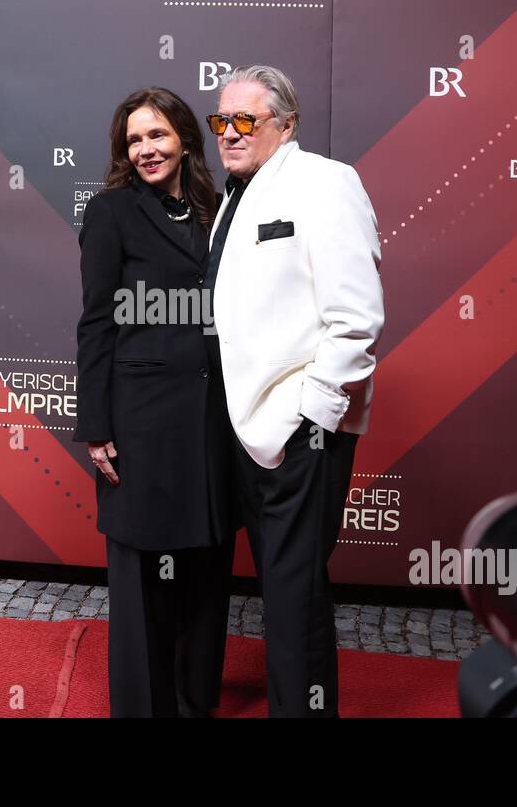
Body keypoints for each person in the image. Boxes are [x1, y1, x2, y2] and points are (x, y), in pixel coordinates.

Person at [203, 64, 385, 717]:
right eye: (220, 120)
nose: (228, 132)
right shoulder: (234, 194)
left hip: (298, 431)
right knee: (275, 590)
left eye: (244, 120)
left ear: (286, 124)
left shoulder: (326, 184)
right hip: (240, 428)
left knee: (294, 592)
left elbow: (356, 319)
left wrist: (311, 419)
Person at [74, 87, 236, 718]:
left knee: (207, 568)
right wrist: (95, 423)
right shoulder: (111, 212)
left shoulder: (217, 208)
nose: (146, 149)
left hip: (215, 418)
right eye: (134, 140)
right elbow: (94, 322)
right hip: (140, 421)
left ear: (186, 140)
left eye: (158, 135)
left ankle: (197, 704)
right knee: (144, 572)